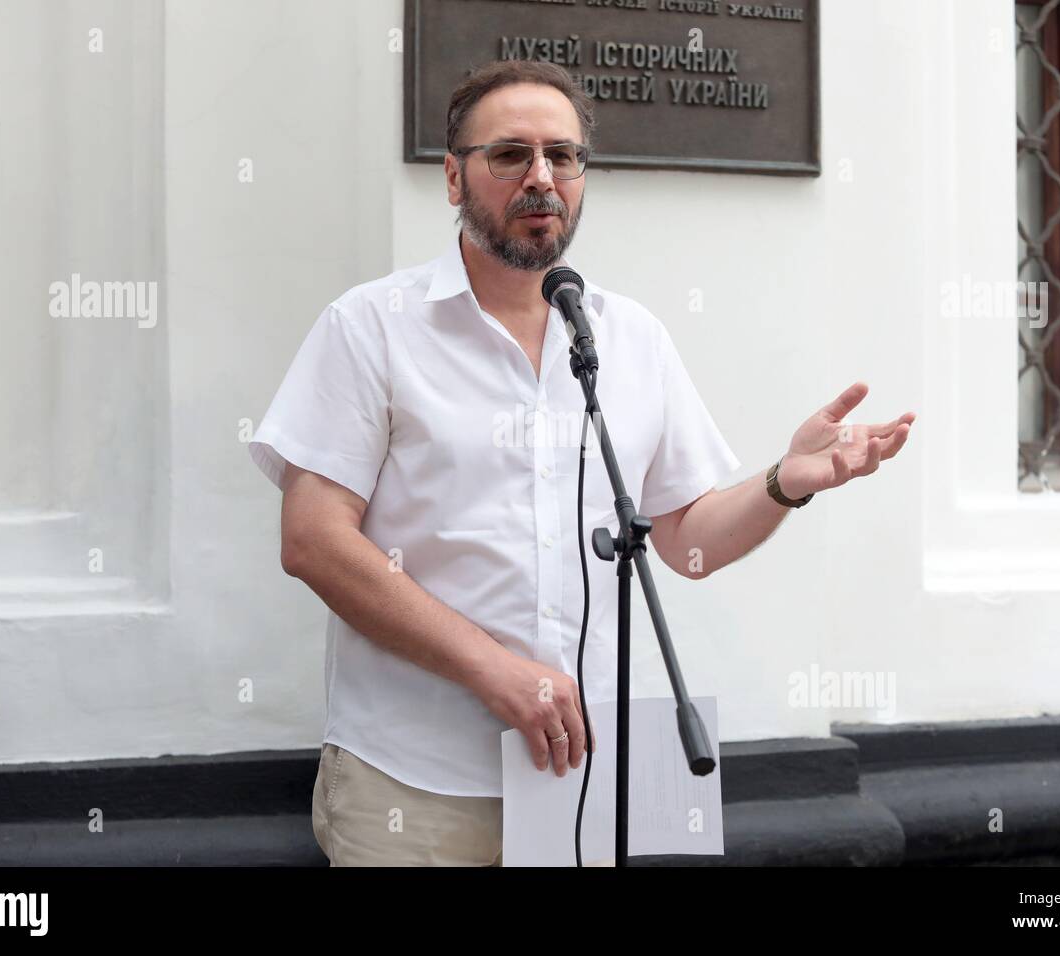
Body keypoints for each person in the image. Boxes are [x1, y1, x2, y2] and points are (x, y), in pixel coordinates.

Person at [249, 59, 915, 866]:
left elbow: (683, 539)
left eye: (562, 157)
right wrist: (492, 669)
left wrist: (784, 483)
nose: (542, 178)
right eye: (510, 155)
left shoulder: (627, 338)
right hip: (413, 783)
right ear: (453, 178)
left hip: (577, 778)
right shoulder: (370, 328)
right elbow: (314, 541)